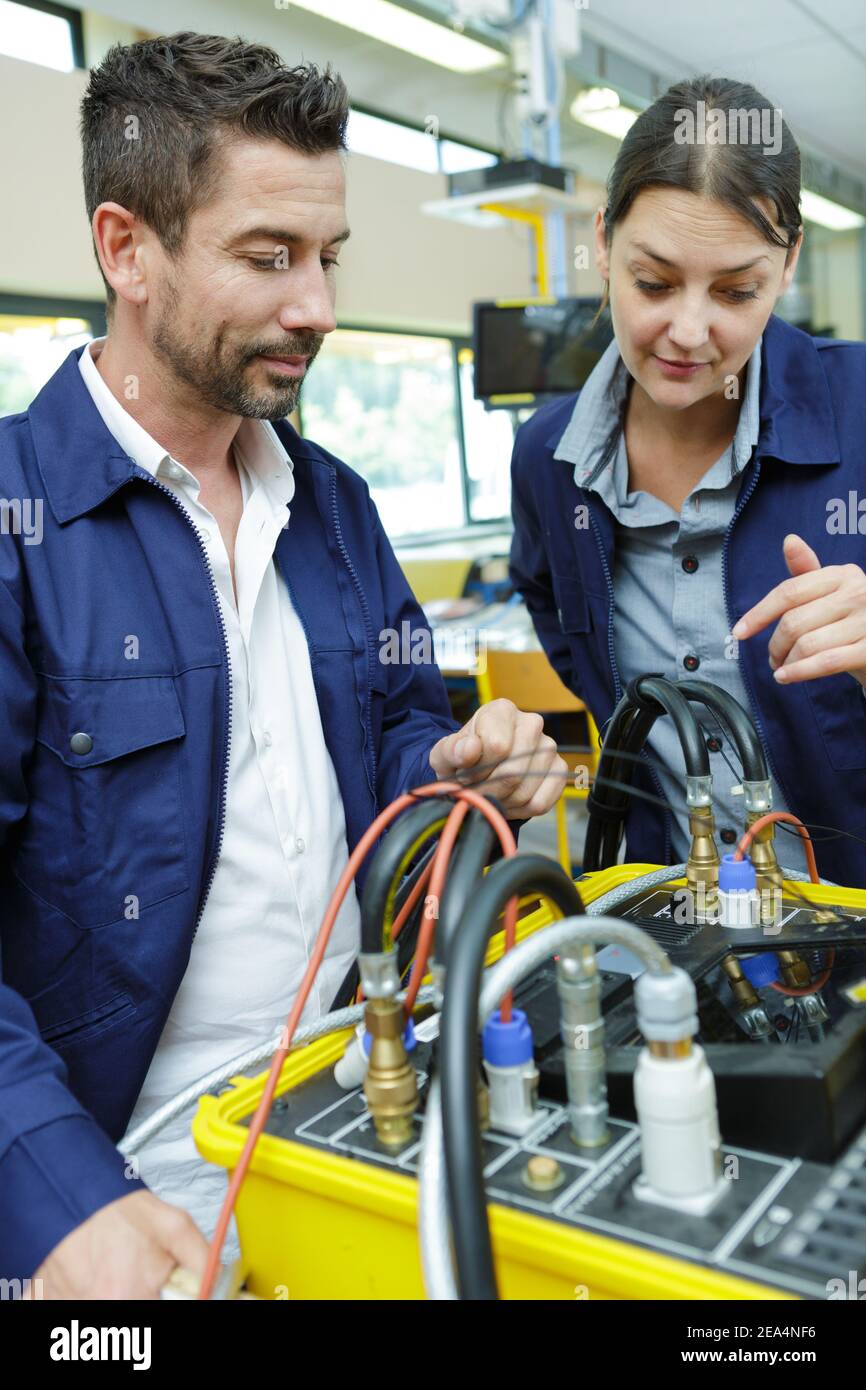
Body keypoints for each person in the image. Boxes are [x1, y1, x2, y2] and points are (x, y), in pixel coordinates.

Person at [0, 32, 567, 1297]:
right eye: (269, 258)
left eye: (326, 258)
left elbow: (396, 748)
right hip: (121, 1205)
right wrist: (51, 1190)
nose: (316, 304)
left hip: (353, 1119)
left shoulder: (336, 503)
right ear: (124, 249)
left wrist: (462, 767)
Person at [510, 75, 866, 887]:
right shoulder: (548, 457)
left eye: (738, 290)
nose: (690, 331)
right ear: (603, 242)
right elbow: (554, 608)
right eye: (654, 282)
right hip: (675, 927)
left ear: (789, 265)